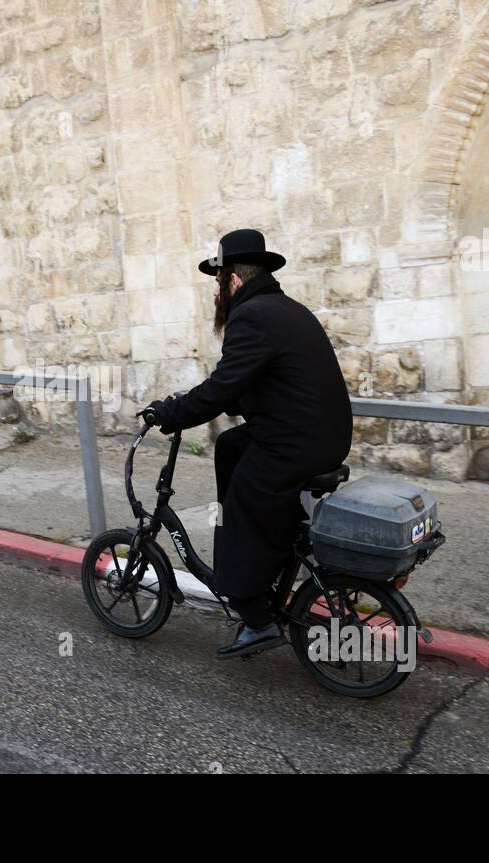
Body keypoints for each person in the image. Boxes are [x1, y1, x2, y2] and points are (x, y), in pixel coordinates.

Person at [144, 229, 353, 659]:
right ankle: (269, 560)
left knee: (242, 504)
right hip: (317, 435)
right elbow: (257, 382)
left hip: (295, 444)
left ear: (232, 280)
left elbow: (224, 386)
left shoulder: (252, 316)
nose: (216, 292)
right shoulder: (283, 309)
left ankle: (254, 614)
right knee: (231, 447)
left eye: (217, 281)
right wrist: (201, 403)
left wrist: (171, 413)